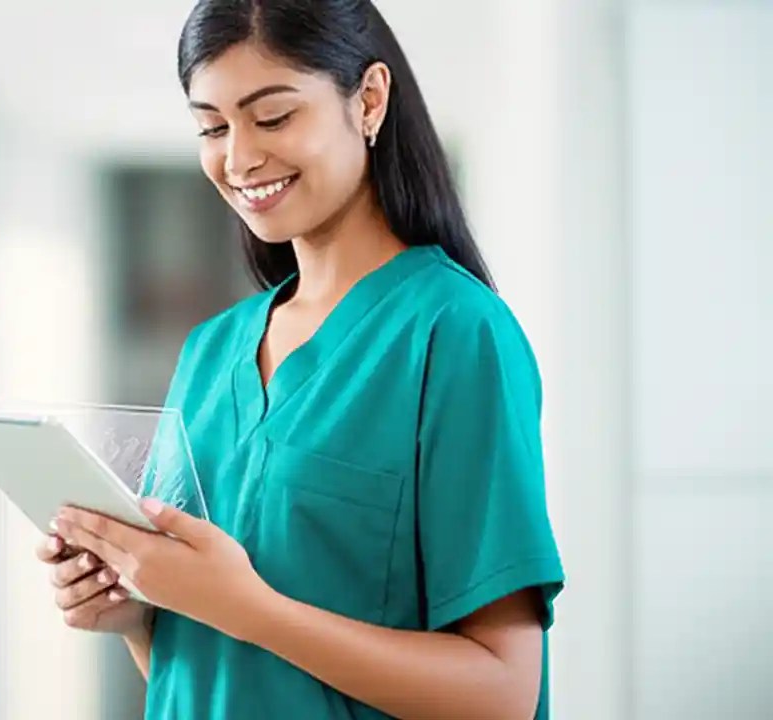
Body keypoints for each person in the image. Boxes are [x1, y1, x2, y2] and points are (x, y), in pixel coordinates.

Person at [36, 1, 565, 718]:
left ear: (369, 100)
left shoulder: (455, 333)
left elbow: (501, 694)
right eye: (212, 126)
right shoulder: (210, 351)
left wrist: (251, 608)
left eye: (274, 117)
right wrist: (135, 611)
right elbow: (215, 673)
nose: (238, 157)